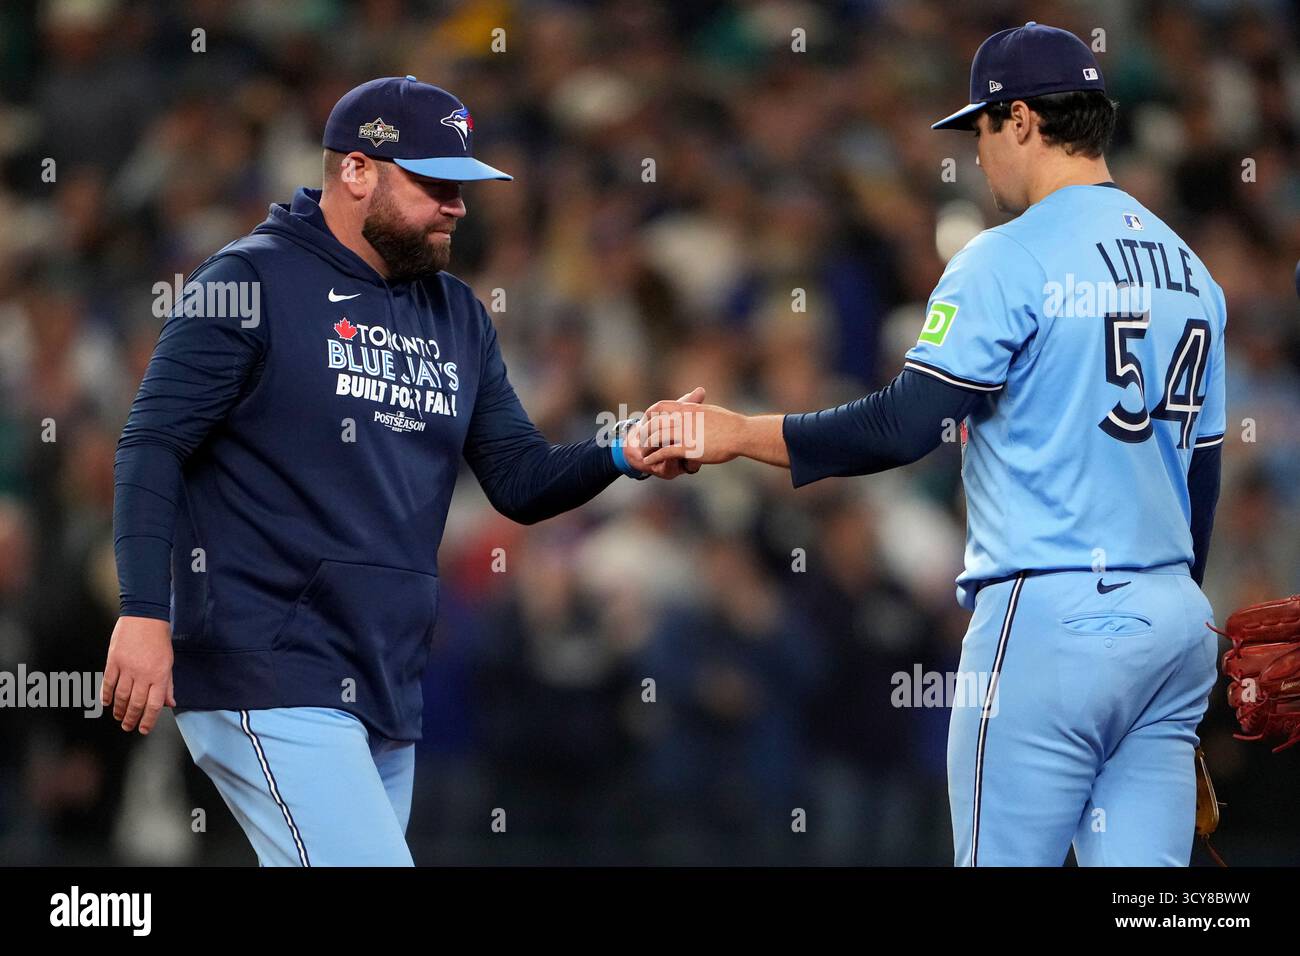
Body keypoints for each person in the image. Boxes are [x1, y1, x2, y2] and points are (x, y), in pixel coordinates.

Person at [640, 23, 1227, 866]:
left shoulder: (1007, 257)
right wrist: (1173, 619)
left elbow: (904, 425)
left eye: (982, 129)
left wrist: (740, 434)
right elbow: (1199, 482)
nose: (977, 155)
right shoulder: (1191, 271)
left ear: (1022, 120)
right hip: (1173, 623)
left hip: (1049, 615)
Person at [103, 76, 698, 866]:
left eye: (462, 186)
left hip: (384, 678)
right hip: (269, 664)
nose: (456, 205)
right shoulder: (248, 282)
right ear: (356, 172)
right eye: (434, 183)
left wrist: (623, 449)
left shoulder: (455, 313)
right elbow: (152, 444)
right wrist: (143, 610)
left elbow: (518, 479)